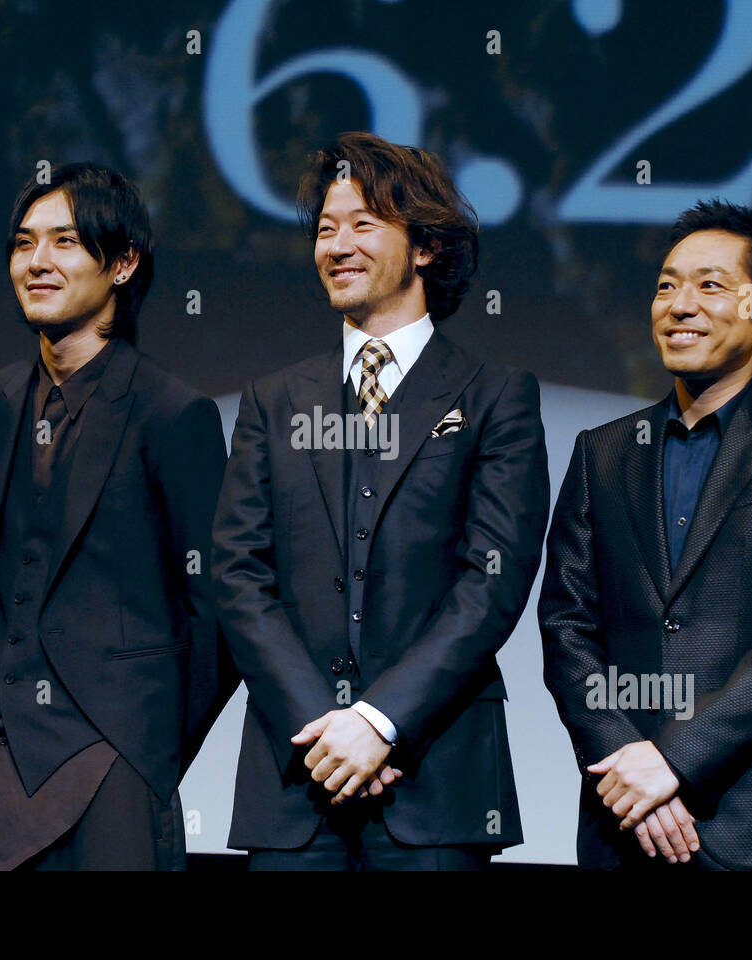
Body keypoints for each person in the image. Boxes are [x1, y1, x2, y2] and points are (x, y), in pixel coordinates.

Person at [211, 131, 549, 870]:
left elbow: (491, 581)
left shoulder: (495, 397)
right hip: (295, 780)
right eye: (326, 229)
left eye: (363, 223)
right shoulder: (273, 401)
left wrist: (380, 721)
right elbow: (237, 574)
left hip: (436, 781)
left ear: (425, 246)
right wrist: (325, 728)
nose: (337, 245)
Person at [538, 200, 752, 870]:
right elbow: (566, 624)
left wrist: (676, 760)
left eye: (709, 285)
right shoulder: (601, 452)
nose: (679, 305)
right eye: (666, 285)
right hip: (620, 812)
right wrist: (628, 761)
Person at [0, 162, 235, 871]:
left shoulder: (172, 412)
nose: (37, 262)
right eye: (23, 243)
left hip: (110, 762)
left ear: (123, 262)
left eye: (65, 241)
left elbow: (215, 611)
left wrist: (145, 750)